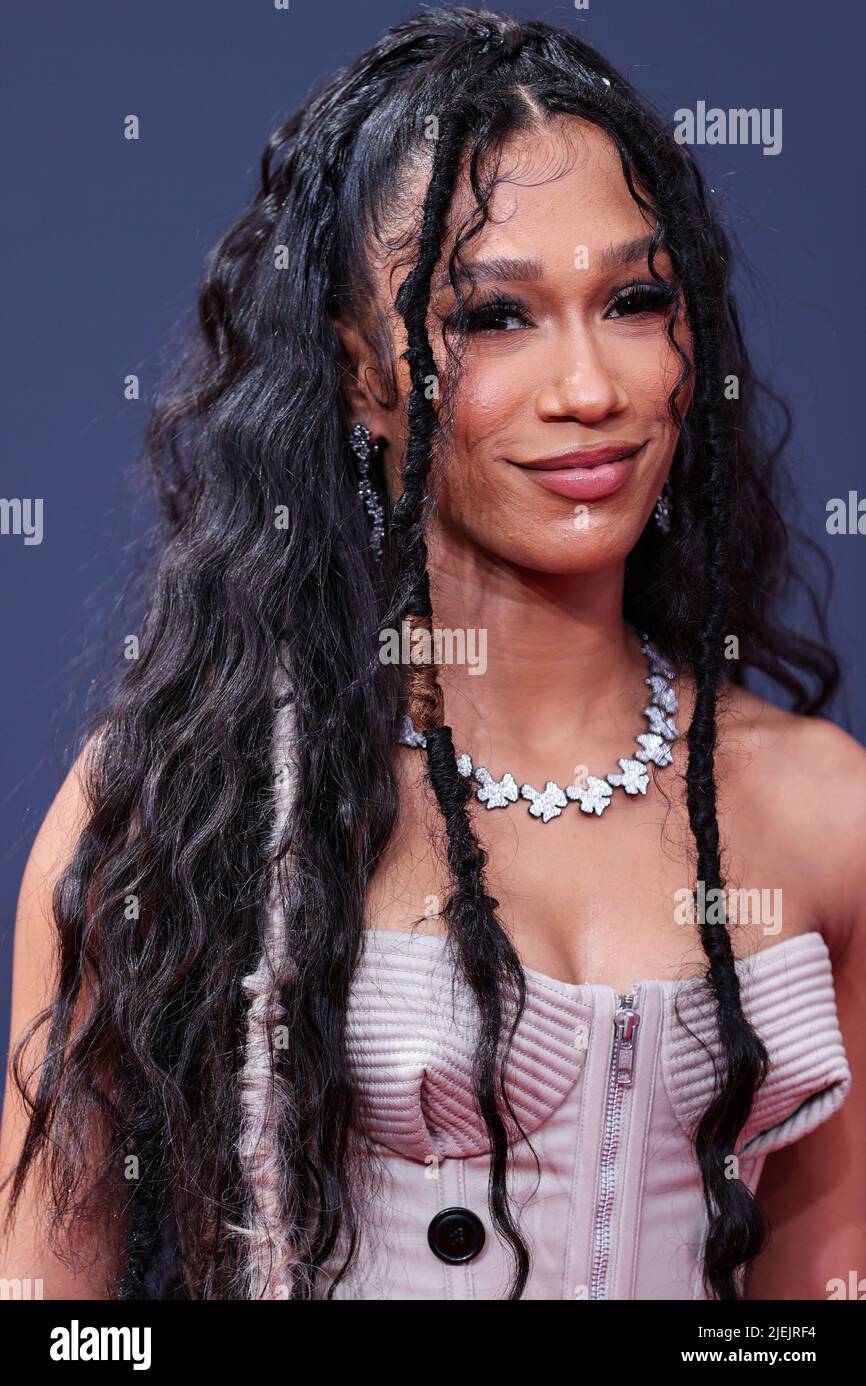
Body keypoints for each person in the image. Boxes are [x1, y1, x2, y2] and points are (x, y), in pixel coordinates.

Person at [1, 5, 864, 1302]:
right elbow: (49, 1307)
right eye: (492, 318)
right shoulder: (183, 803)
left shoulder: (822, 806)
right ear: (360, 376)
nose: (588, 385)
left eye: (632, 300)